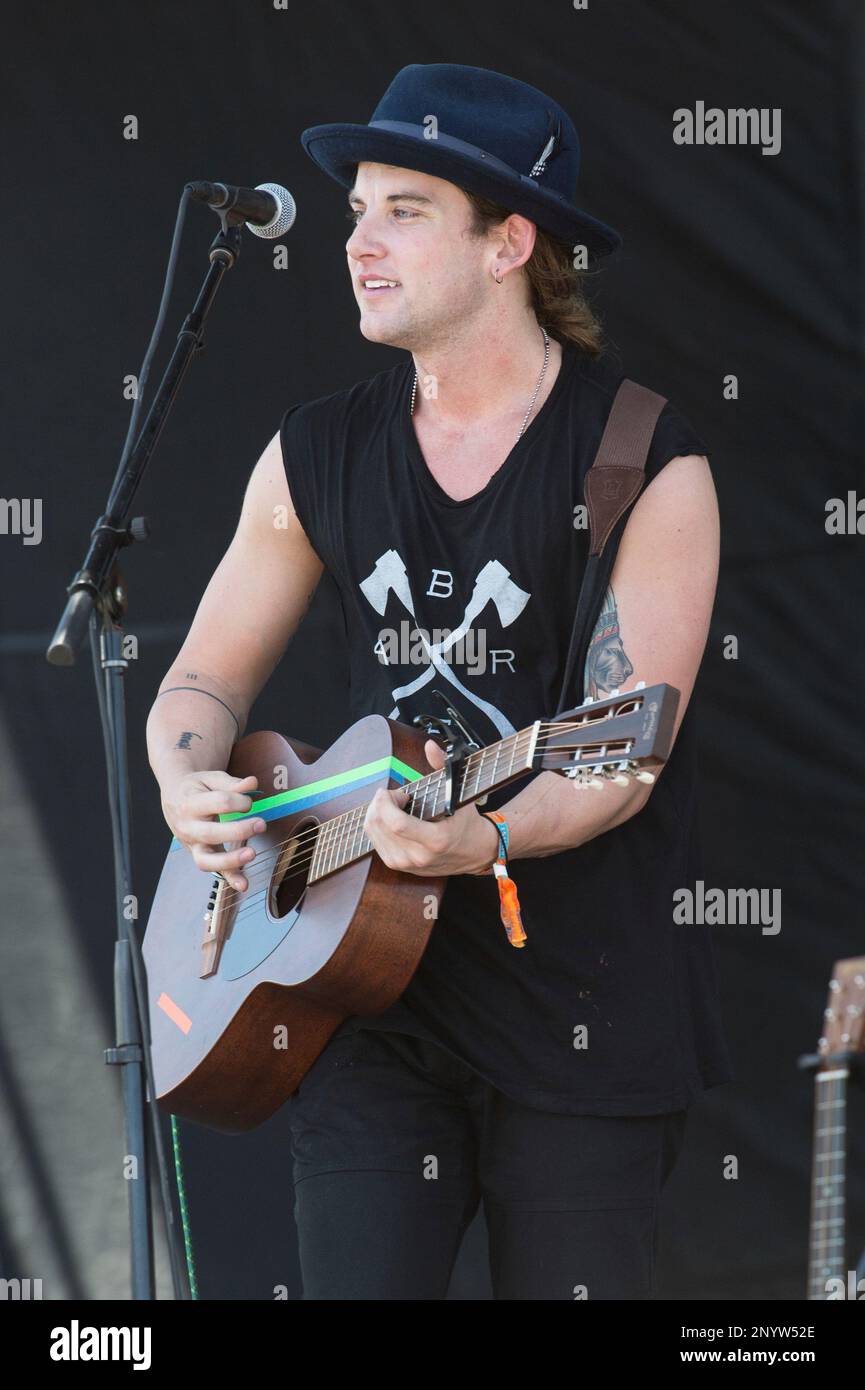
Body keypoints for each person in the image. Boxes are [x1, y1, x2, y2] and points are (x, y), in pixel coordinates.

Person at [146, 63, 733, 1300]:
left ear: (511, 240)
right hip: (359, 987)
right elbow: (202, 674)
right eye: (357, 209)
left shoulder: (643, 461)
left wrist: (485, 838)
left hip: (585, 1010)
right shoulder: (317, 449)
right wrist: (186, 776)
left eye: (402, 209)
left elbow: (623, 755)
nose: (356, 242)